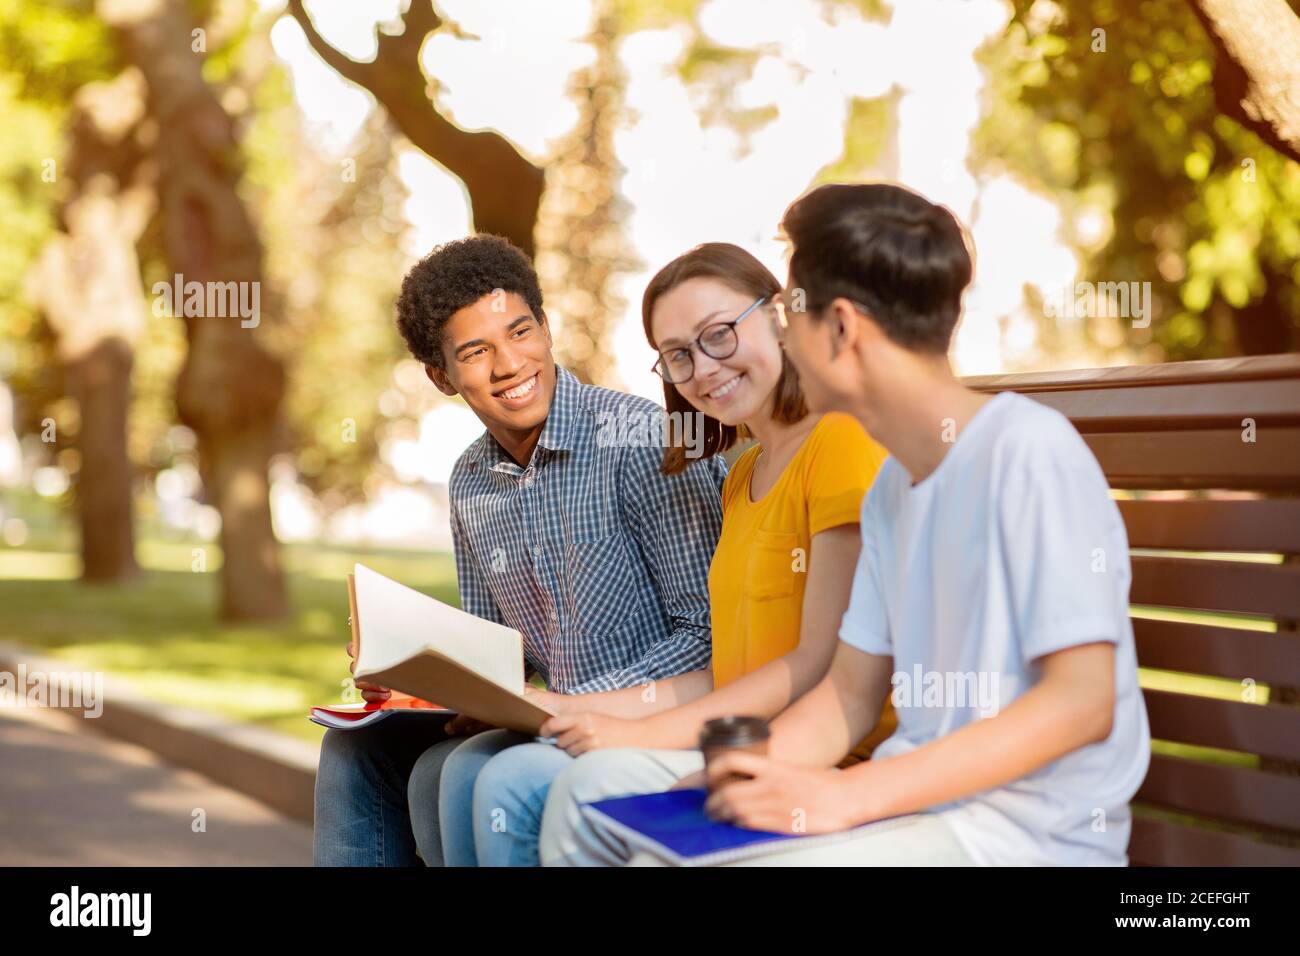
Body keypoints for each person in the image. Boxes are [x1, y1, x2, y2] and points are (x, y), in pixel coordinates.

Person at [550, 183, 1151, 867]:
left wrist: (846, 798)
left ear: (839, 328)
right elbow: (847, 692)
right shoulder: (896, 484)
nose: (782, 335)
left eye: (791, 313)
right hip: (910, 813)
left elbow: (1080, 703)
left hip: (1017, 839)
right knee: (600, 816)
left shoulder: (1028, 453)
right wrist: (742, 777)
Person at [463, 242, 889, 867]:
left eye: (718, 335)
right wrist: (573, 708)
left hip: (821, 758)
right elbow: (729, 670)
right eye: (678, 356)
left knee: (521, 783)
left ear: (777, 316)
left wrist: (633, 734)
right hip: (737, 733)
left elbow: (817, 663)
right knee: (476, 770)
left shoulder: (839, 444)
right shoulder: (743, 477)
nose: (705, 369)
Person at [312, 234, 726, 866]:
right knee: (356, 752)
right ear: (440, 376)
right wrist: (411, 665)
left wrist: (568, 705)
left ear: (547, 328)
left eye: (521, 332)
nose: (508, 364)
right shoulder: (470, 483)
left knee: (449, 774)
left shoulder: (642, 441)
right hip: (544, 713)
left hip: (650, 715)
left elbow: (709, 631)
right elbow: (505, 655)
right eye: (475, 352)